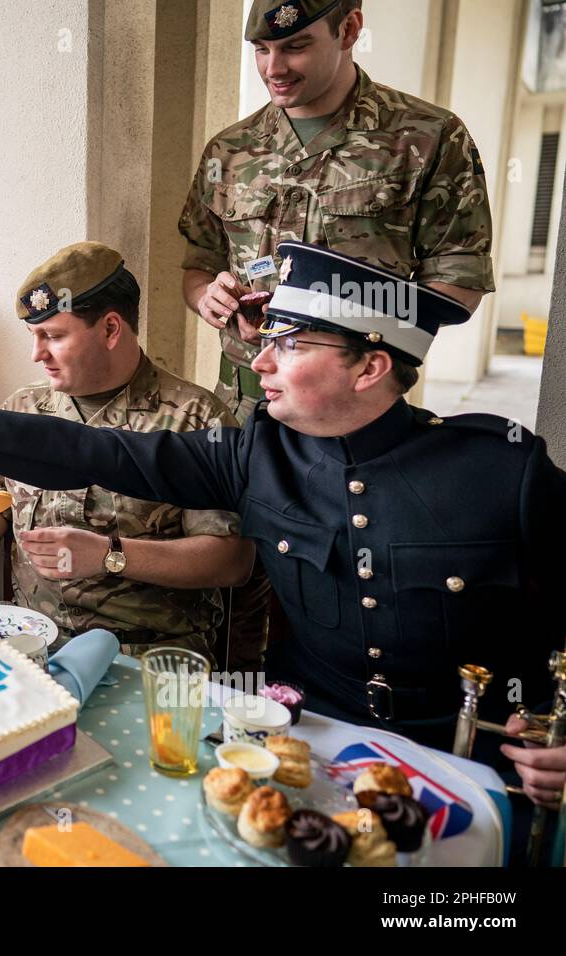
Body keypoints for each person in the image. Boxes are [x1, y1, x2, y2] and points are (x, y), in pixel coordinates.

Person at [0, 242, 565, 796]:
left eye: (291, 344)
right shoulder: (258, 456)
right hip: (302, 747)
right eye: (267, 339)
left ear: (370, 368)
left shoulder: (503, 474)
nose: (262, 361)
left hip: (470, 768)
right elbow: (94, 451)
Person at [178, 0, 496, 673]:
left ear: (350, 29)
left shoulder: (428, 138)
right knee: (235, 579)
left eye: (293, 47)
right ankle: (237, 726)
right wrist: (209, 296)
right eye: (260, 51)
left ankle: (332, 727)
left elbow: (458, 283)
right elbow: (197, 265)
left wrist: (342, 325)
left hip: (356, 418)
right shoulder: (230, 151)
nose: (273, 68)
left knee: (344, 588)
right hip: (243, 407)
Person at [0, 242, 253, 660]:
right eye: (34, 336)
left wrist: (110, 556)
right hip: (35, 644)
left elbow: (232, 561)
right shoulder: (24, 410)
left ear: (109, 329)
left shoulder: (195, 419)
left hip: (149, 657)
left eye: (53, 336)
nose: (37, 355)